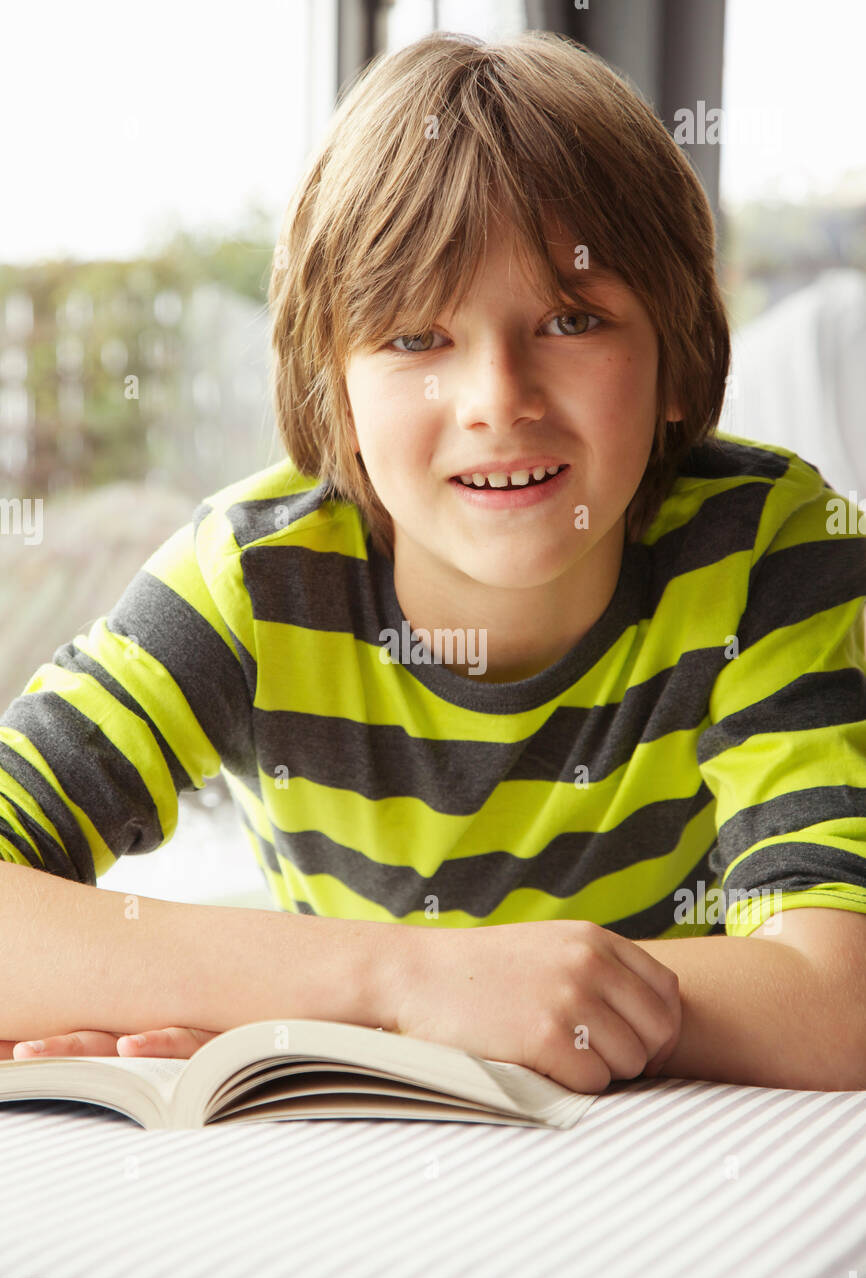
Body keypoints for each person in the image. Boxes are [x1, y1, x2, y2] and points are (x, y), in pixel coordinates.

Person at [2, 31, 866, 1094]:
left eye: (567, 318)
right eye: (414, 338)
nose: (496, 397)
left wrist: (379, 1007)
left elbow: (833, 1002)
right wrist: (404, 981)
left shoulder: (767, 549)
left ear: (678, 359)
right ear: (335, 389)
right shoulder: (250, 580)